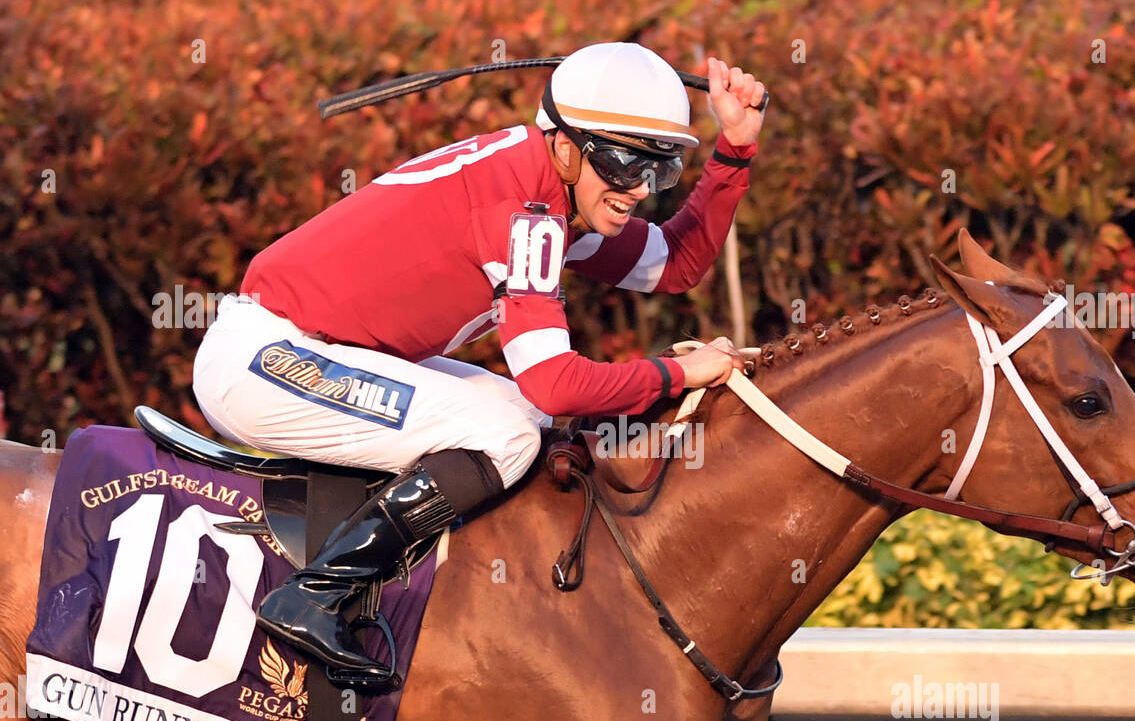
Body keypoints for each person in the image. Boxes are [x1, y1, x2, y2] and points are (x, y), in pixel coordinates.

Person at [191, 42, 766, 681]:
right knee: (511, 432)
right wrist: (680, 373)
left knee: (521, 419)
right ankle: (316, 594)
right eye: (626, 163)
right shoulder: (525, 213)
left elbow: (676, 264)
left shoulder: (547, 181)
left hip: (315, 347)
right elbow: (554, 383)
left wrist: (734, 149)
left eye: (659, 170)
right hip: (267, 361)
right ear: (569, 147)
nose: (638, 190)